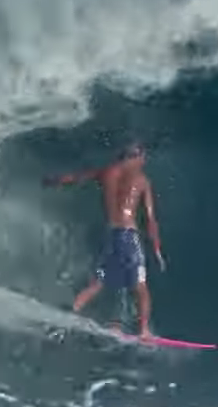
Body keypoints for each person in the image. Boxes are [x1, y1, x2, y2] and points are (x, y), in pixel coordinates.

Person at [43, 142, 166, 339]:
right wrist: (157, 249)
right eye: (142, 158)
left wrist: (55, 181)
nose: (144, 162)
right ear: (136, 157)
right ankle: (144, 330)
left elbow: (75, 178)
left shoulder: (106, 172)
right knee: (140, 287)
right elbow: (150, 220)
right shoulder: (141, 180)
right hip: (129, 236)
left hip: (112, 234)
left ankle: (72, 309)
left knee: (100, 281)